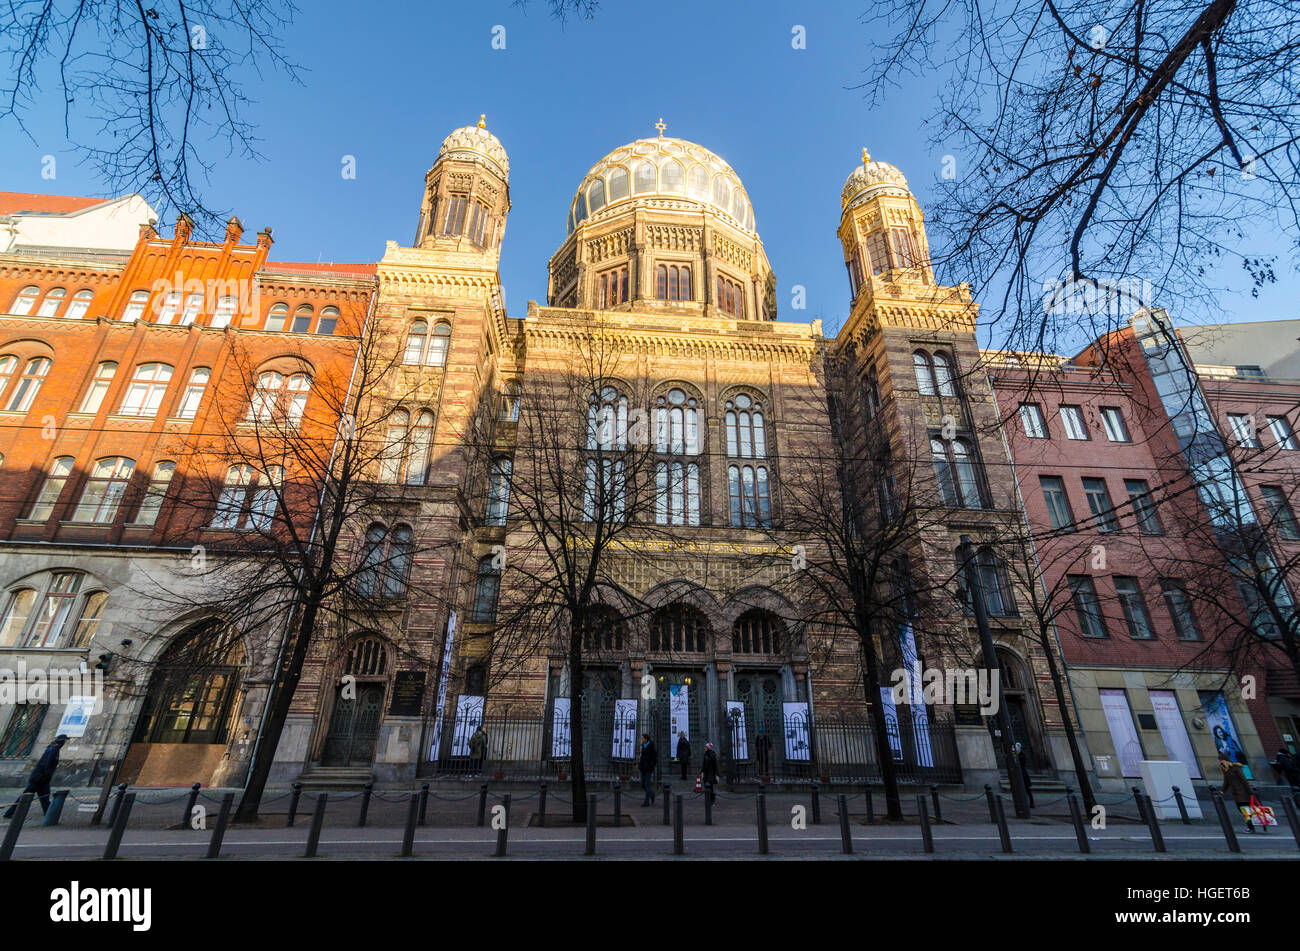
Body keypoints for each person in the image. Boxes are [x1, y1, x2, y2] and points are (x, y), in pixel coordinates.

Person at [4, 735, 68, 818]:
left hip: (42, 778)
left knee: (44, 796)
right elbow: (47, 764)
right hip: (39, 778)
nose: (65, 743)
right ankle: (10, 813)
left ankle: (48, 813)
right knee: (27, 796)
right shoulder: (52, 750)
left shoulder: (53, 749)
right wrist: (46, 775)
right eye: (64, 741)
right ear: (61, 741)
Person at [1220, 751, 1257, 832]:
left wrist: (1250, 791)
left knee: (1245, 811)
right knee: (1243, 811)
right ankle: (1251, 825)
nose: (1220, 762)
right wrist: (1222, 791)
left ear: (1226, 760)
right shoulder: (1226, 770)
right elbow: (1226, 782)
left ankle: (1251, 827)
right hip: (1237, 795)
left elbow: (1244, 780)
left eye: (1221, 760)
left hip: (1243, 793)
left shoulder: (1236, 769)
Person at [638, 733, 658, 806]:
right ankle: (652, 795)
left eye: (643, 738)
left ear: (646, 739)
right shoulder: (643, 746)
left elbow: (654, 758)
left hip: (648, 769)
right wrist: (640, 766)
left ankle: (646, 802)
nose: (642, 739)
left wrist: (650, 766)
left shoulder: (651, 746)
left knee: (647, 785)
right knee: (642, 784)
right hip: (643, 768)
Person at [1014, 741, 1035, 808]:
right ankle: (1023, 802)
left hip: (1023, 775)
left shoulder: (1021, 755)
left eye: (1017, 747)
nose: (1016, 749)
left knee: (1027, 790)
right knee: (1023, 790)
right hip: (1020, 774)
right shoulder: (1017, 755)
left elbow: (1021, 764)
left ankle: (1031, 803)